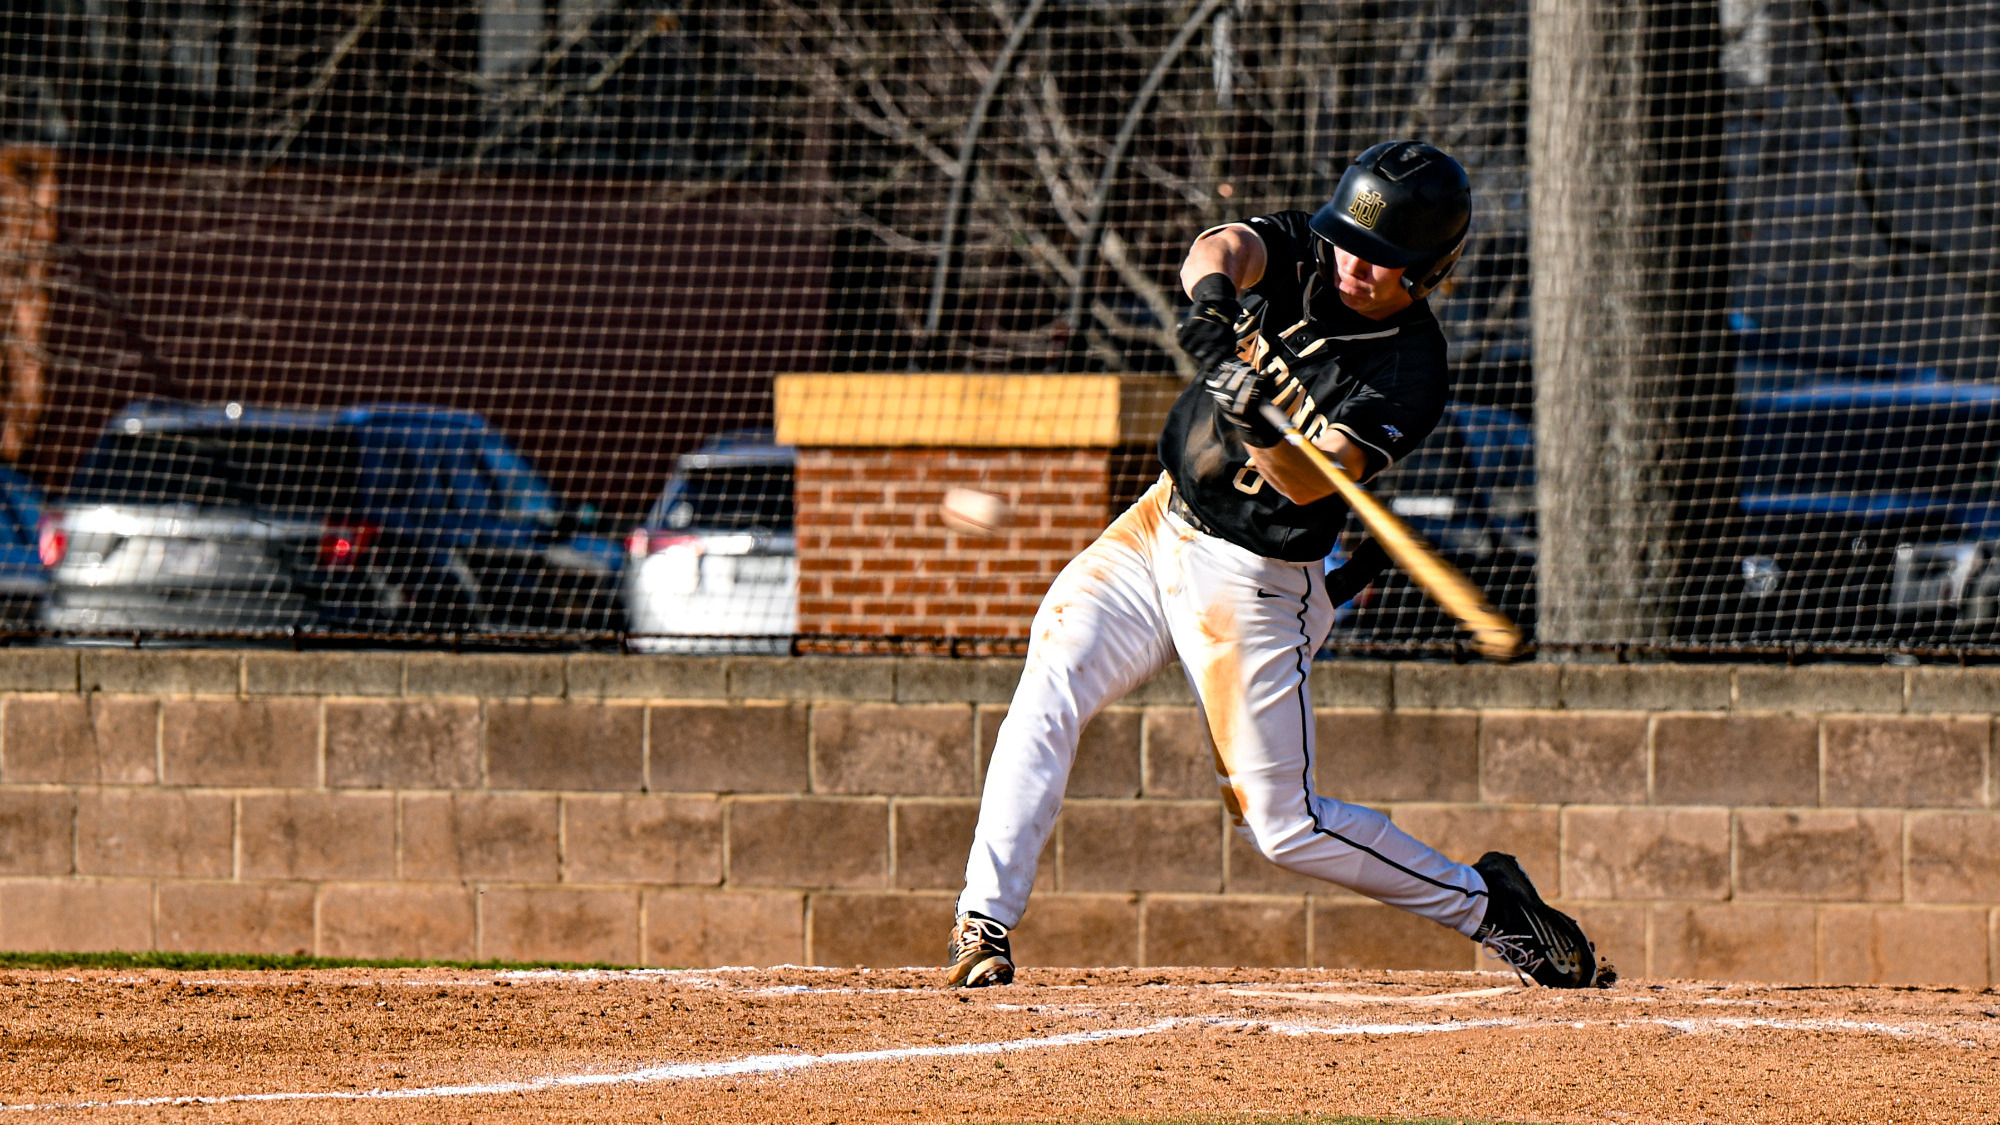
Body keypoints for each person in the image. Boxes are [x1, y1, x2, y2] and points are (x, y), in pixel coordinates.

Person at [945, 140, 1611, 991]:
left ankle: (1492, 907)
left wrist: (1261, 423)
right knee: (1051, 678)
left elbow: (1308, 479)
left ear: (1427, 270)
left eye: (1382, 260)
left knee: (1281, 827)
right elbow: (1221, 247)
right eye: (1348, 243)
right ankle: (983, 921)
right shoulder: (1311, 250)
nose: (1354, 264)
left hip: (1255, 582)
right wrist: (1214, 304)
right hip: (1159, 522)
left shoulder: (1411, 369)